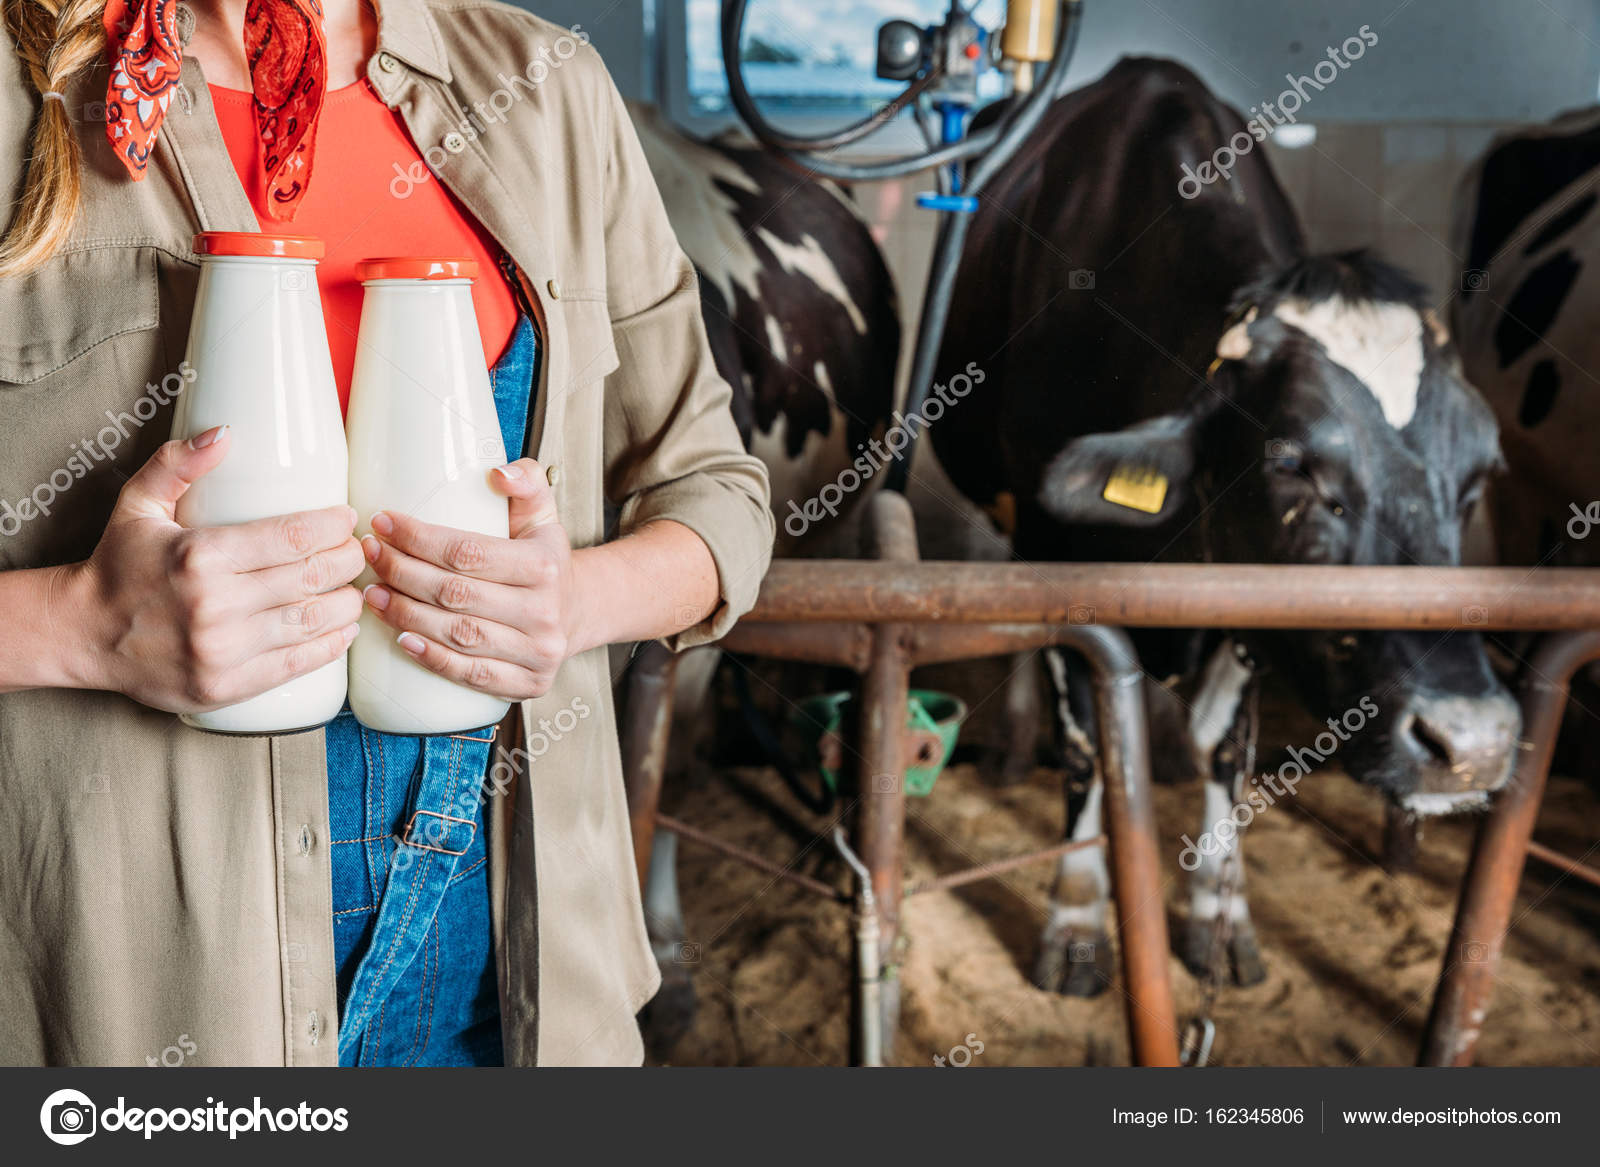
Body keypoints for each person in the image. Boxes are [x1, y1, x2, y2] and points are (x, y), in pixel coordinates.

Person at [0, 0, 773, 1065]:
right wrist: (77, 627)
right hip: (147, 1018)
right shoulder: (21, 92)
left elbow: (716, 493)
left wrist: (577, 601)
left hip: (516, 992)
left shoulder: (544, 88)